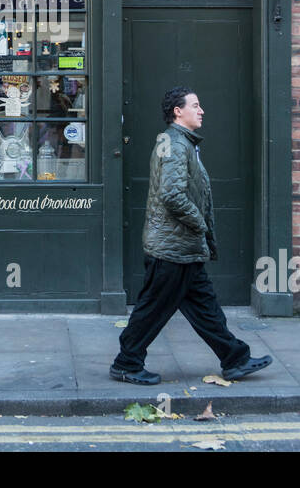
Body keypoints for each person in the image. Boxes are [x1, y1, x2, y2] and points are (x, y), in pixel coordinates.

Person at [110, 86, 273, 385]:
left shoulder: (178, 142)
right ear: (177, 111)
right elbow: (172, 194)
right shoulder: (175, 144)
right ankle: (126, 363)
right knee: (151, 310)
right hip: (172, 248)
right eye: (195, 105)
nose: (201, 110)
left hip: (182, 246)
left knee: (206, 309)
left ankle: (235, 358)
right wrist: (200, 223)